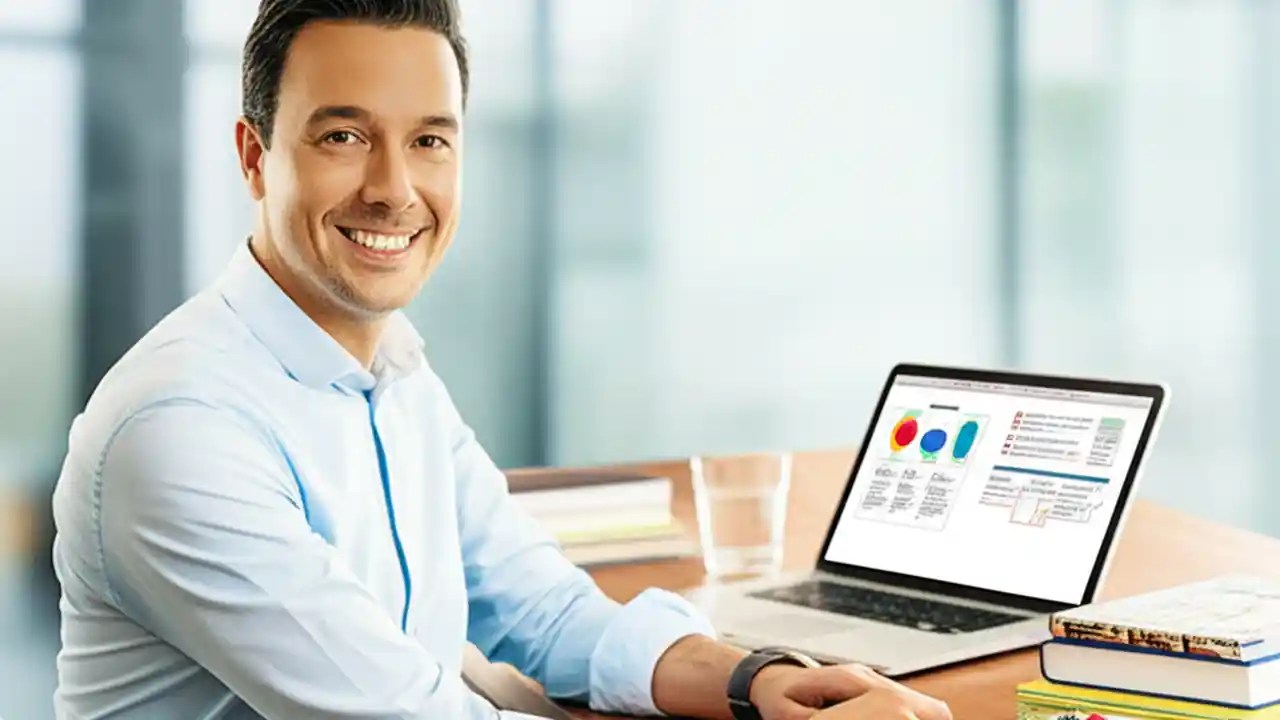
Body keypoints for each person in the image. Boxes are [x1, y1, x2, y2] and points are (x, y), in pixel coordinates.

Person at [50, 1, 952, 718]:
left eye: (429, 140)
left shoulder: (393, 371)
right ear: (255, 156)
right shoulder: (178, 432)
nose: (394, 189)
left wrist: (757, 682)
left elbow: (542, 609)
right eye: (344, 137)